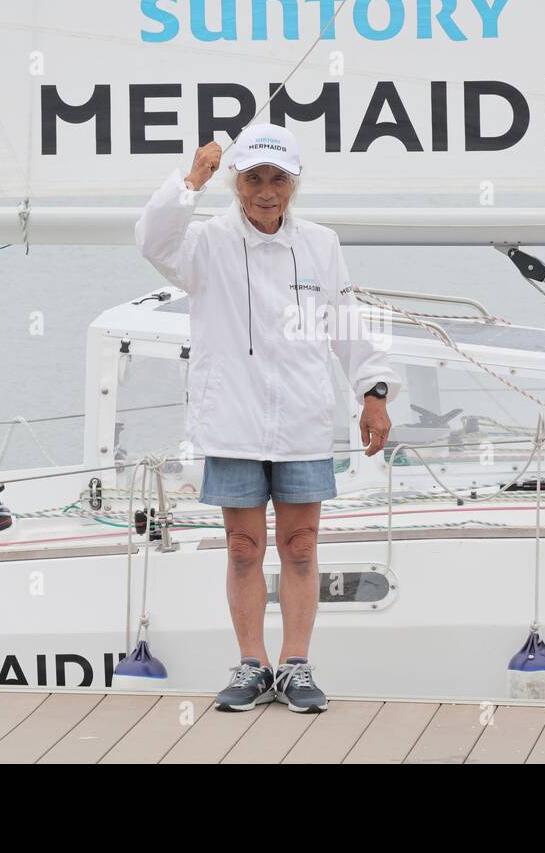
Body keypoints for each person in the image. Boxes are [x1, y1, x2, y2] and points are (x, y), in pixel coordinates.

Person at [135, 123, 399, 713]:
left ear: (294, 183)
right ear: (236, 181)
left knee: (302, 547)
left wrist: (373, 392)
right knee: (244, 547)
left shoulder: (321, 244)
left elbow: (347, 323)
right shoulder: (205, 243)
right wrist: (190, 179)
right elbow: (152, 240)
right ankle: (251, 664)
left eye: (278, 178)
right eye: (253, 178)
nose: (266, 191)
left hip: (303, 419)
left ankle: (297, 666)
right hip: (232, 419)